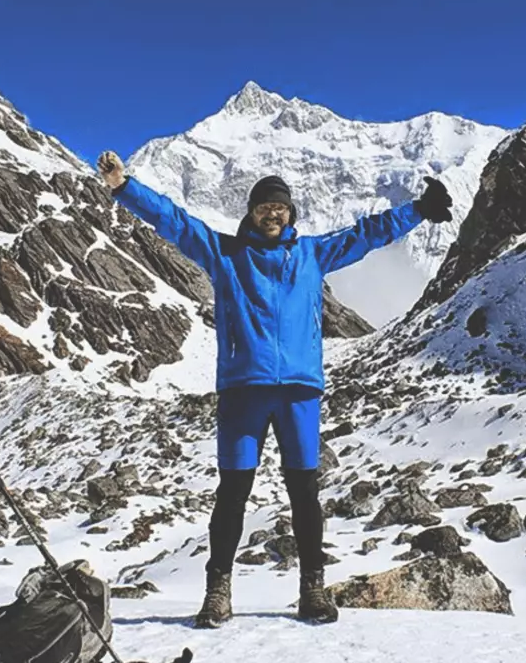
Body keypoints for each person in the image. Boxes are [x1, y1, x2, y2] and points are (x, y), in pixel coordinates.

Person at [95, 151, 453, 627]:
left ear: (291, 214)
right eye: (264, 205)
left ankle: (313, 591)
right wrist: (124, 187)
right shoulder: (224, 252)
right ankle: (217, 593)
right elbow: (175, 222)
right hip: (244, 390)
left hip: (300, 393)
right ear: (251, 211)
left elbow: (365, 235)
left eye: (280, 206)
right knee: (232, 493)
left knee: (304, 493)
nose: (272, 212)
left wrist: (418, 211)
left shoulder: (312, 254)